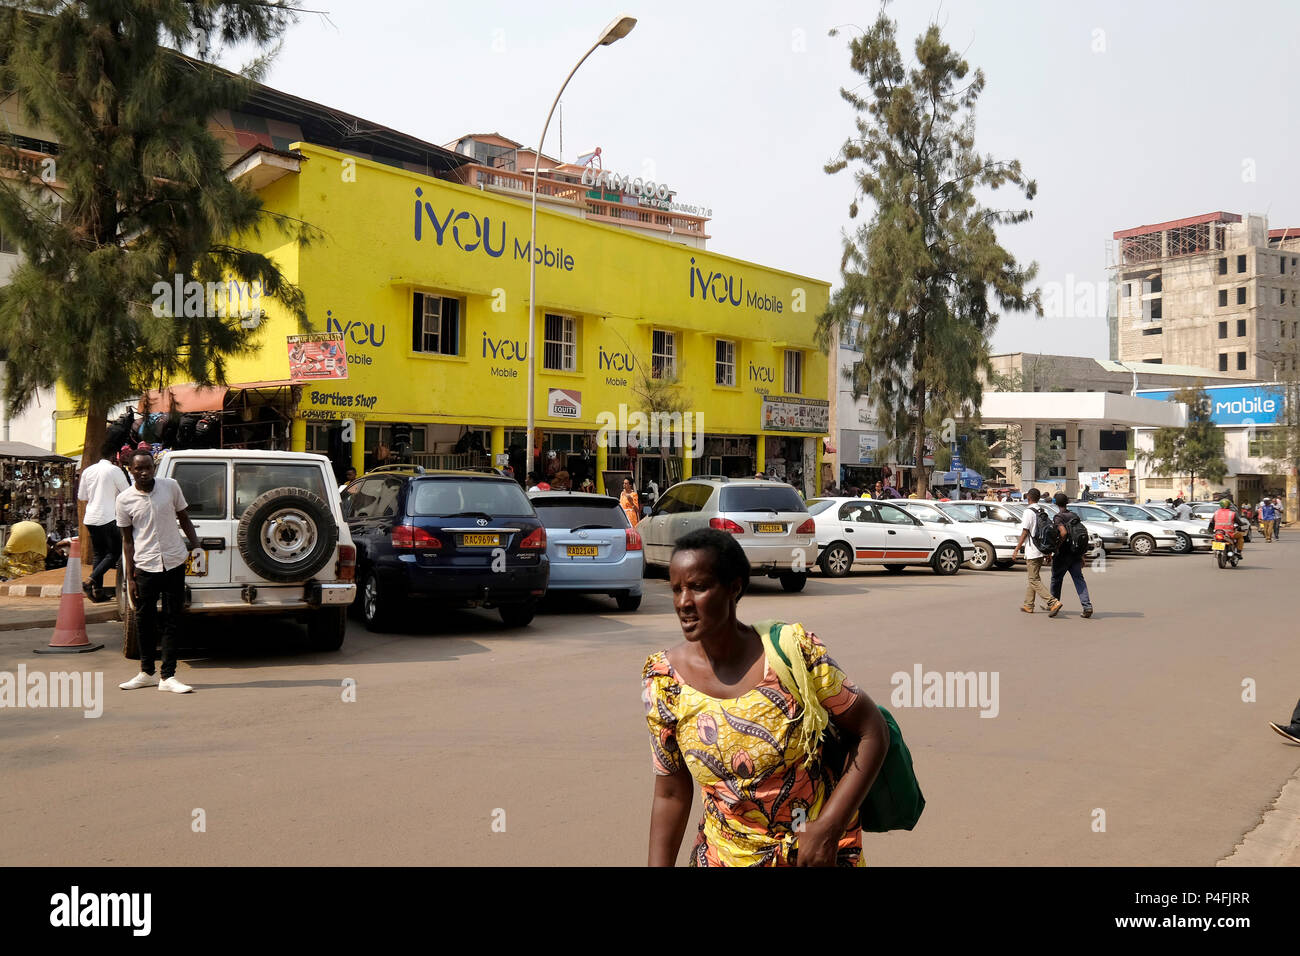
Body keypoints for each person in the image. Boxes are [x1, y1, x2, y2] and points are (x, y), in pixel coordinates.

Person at [643, 528, 889, 866]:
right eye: (676, 589)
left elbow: (872, 730)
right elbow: (671, 791)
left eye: (698, 587)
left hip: (812, 852)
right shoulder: (664, 681)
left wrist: (828, 829)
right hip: (723, 857)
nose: (684, 602)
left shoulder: (791, 653)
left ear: (734, 587)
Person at [116, 450, 201, 694]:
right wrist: (130, 577)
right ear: (130, 470)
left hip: (174, 561)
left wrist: (195, 547)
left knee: (172, 619)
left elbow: (184, 518)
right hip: (145, 565)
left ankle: (168, 676)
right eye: (138, 469)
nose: (144, 473)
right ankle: (146, 672)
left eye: (148, 468)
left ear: (154, 467)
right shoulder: (124, 500)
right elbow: (127, 541)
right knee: (144, 621)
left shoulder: (170, 487)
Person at [77, 442, 130, 602]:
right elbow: (128, 493)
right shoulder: (115, 471)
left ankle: (98, 592)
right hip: (109, 518)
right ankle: (90, 581)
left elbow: (82, 496)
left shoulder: (88, 471)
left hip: (91, 518)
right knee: (114, 553)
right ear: (114, 456)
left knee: (99, 553)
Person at [1011, 488, 1062, 617]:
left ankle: (1053, 602)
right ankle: (1028, 605)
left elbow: (1025, 532)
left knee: (1034, 579)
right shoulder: (1041, 510)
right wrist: (1048, 552)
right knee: (1033, 578)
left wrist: (1017, 549)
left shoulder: (1028, 512)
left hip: (1033, 550)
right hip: (1041, 549)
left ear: (1028, 497)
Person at [1047, 492, 1093, 618]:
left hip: (1063, 555)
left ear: (1056, 503)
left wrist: (1056, 548)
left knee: (1056, 579)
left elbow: (1063, 533)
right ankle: (1087, 606)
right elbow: (1078, 537)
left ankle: (1054, 604)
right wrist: (1082, 555)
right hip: (1076, 554)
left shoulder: (1058, 517)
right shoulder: (1074, 515)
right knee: (1079, 580)